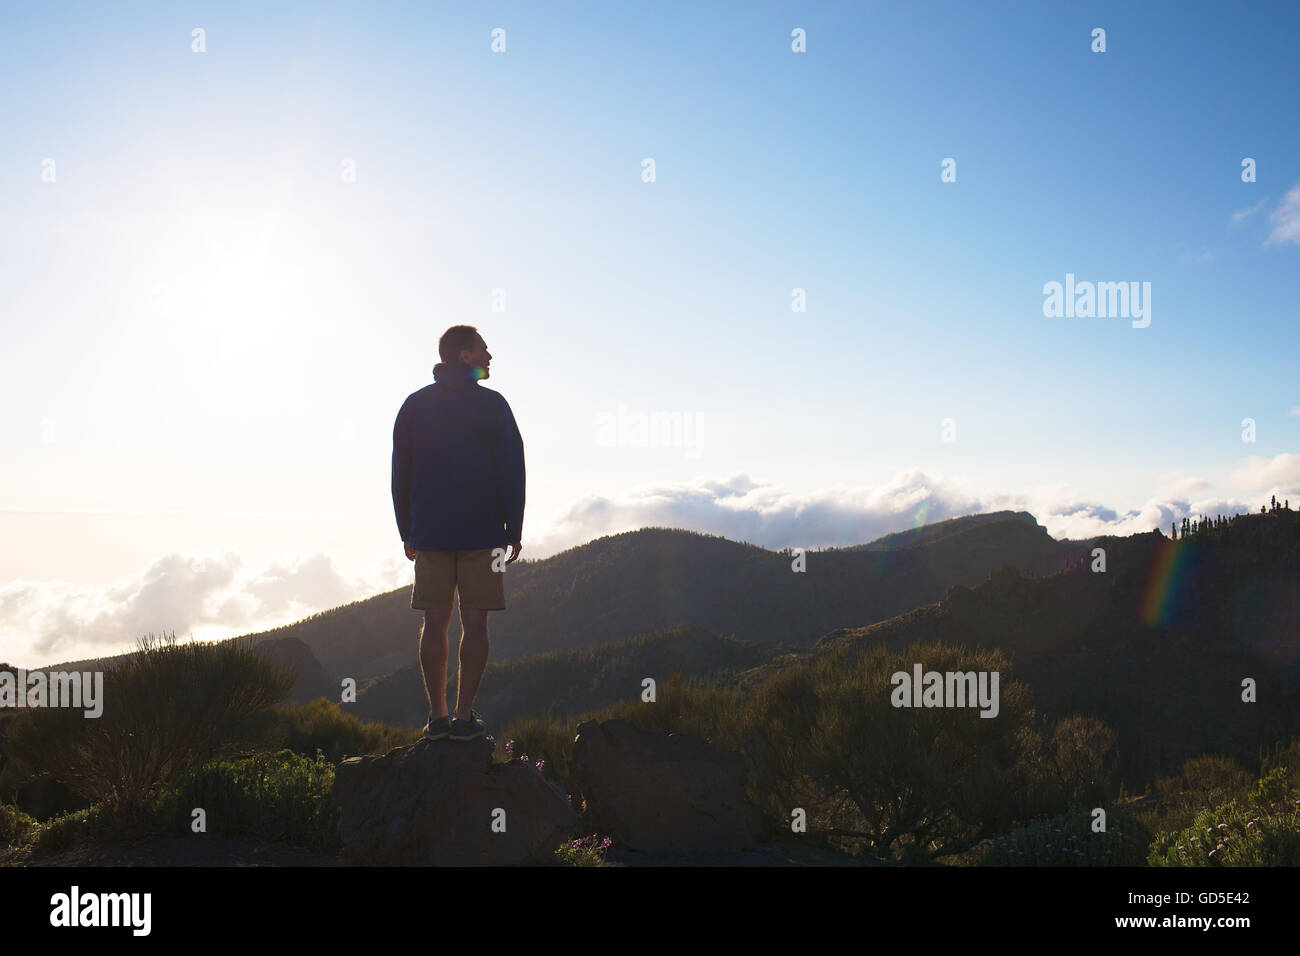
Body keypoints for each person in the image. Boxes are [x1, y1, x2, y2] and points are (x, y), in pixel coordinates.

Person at [391, 326, 524, 741]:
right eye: (484, 348)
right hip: (482, 531)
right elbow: (511, 468)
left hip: (430, 531)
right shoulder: (494, 406)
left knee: (435, 622)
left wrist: (406, 530)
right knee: (477, 624)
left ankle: (437, 718)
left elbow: (401, 473)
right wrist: (512, 527)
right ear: (466, 356)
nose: (490, 354)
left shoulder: (414, 406)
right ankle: (464, 718)